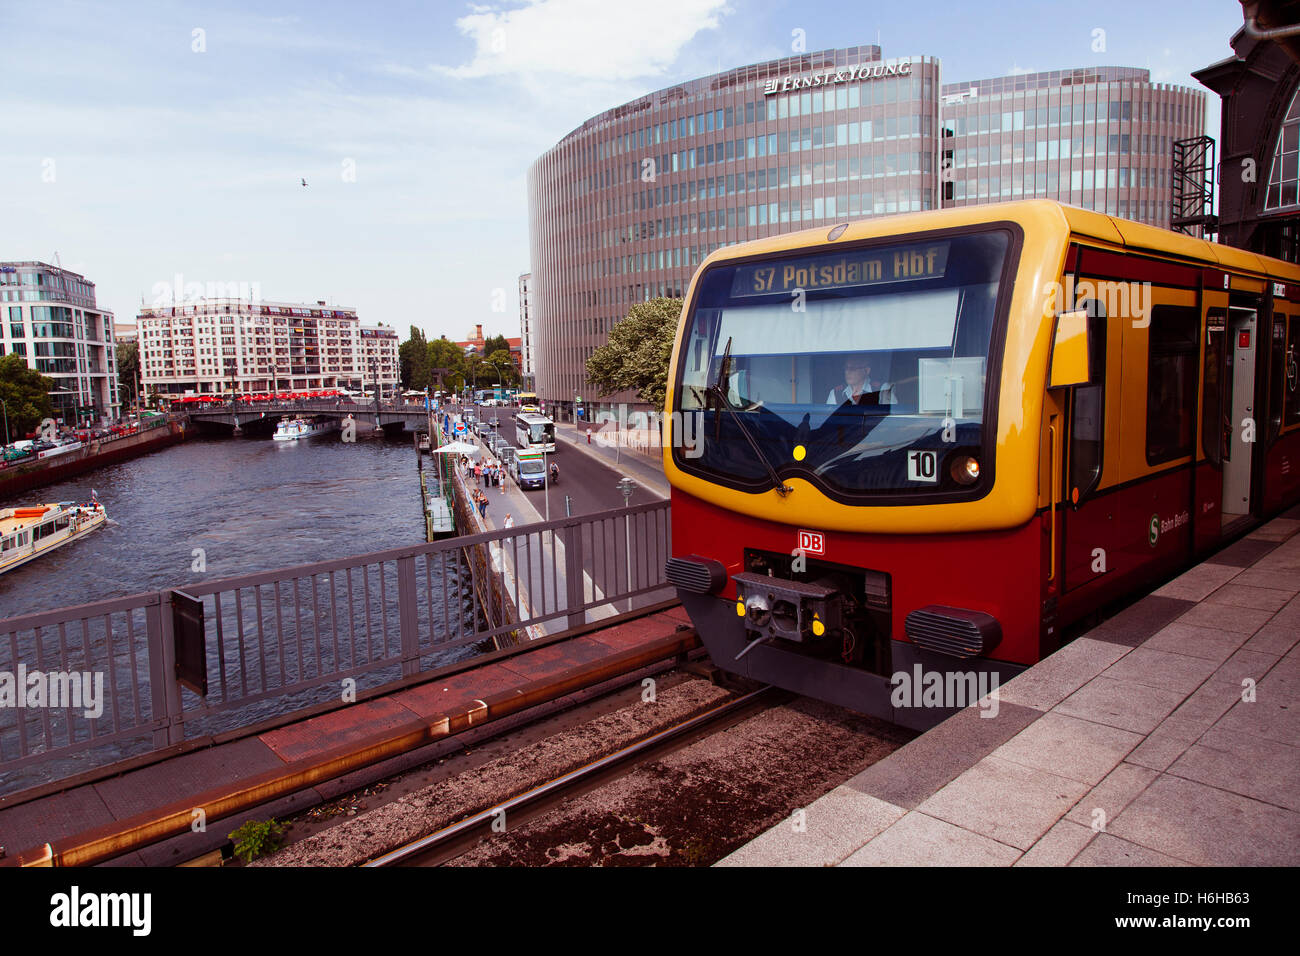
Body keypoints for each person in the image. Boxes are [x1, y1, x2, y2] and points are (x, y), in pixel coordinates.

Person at [827, 355, 893, 405]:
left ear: (867, 371)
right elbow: (828, 419)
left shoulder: (882, 389)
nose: (848, 372)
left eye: (853, 368)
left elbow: (892, 418)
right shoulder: (836, 393)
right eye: (846, 368)